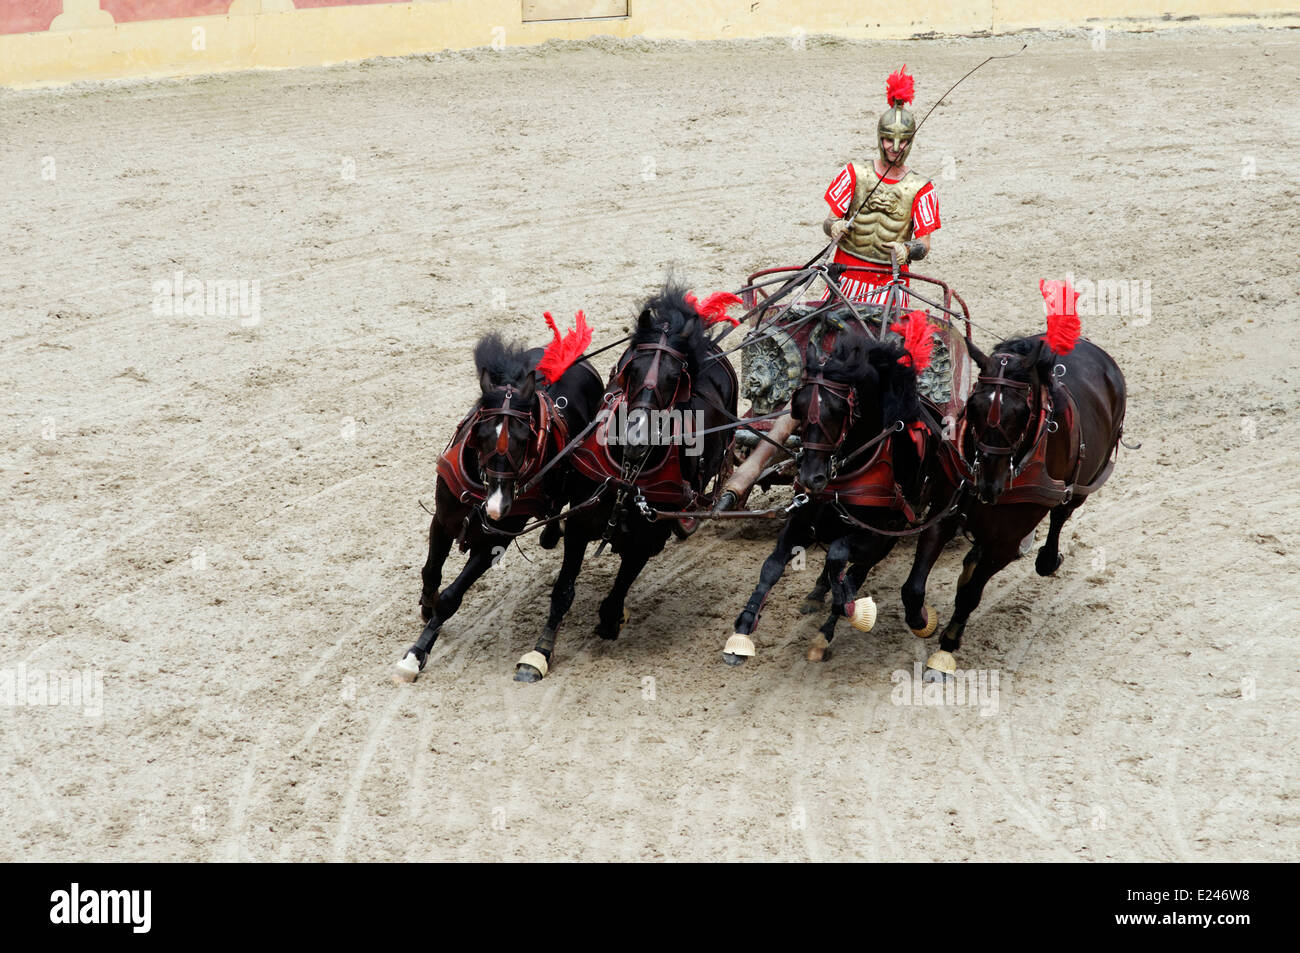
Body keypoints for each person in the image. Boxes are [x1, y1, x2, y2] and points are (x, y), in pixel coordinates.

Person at [716, 66, 941, 512]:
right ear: (878, 138)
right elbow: (829, 218)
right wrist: (836, 226)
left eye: (902, 143)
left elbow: (924, 244)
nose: (894, 148)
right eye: (888, 141)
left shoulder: (921, 188)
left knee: (882, 350)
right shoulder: (855, 174)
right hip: (842, 276)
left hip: (887, 283)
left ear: (911, 143)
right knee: (792, 327)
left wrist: (906, 250)